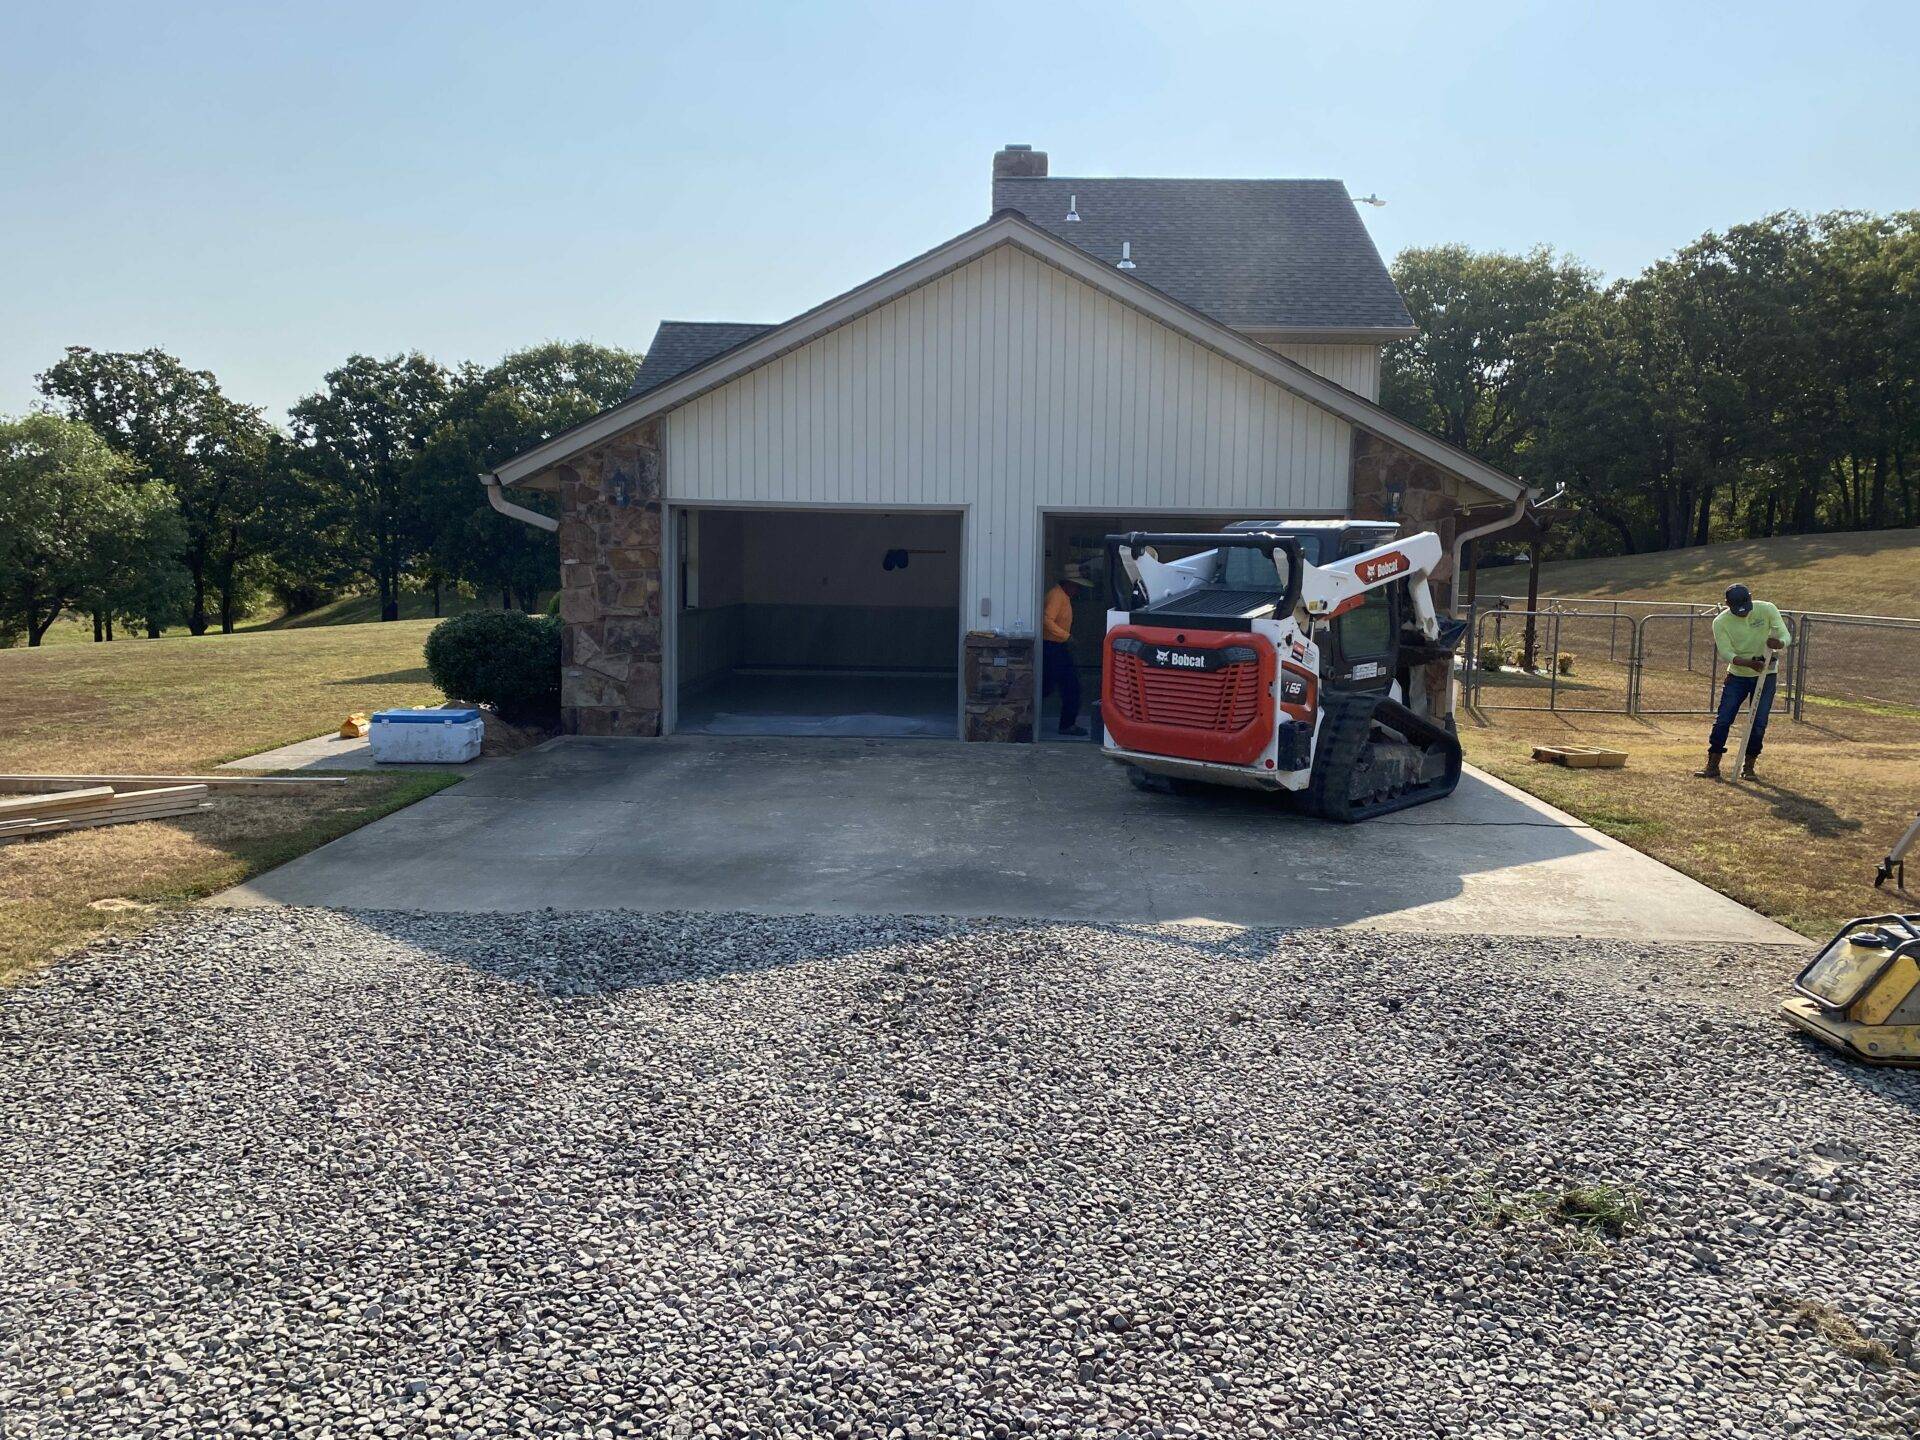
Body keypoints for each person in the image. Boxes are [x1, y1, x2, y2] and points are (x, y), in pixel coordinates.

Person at [1696, 583, 1791, 780]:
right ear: (1727, 604)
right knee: (1723, 719)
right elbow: (1726, 652)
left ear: (1751, 598)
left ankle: (1749, 766)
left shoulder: (1767, 609)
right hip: (1737, 676)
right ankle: (1713, 764)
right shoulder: (1720, 622)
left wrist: (1779, 643)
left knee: (1759, 722)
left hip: (1766, 676)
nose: (1743, 614)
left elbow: (1784, 635)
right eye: (1737, 610)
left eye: (1745, 608)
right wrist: (1748, 663)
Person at [1043, 561, 1094, 737]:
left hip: (1055, 646)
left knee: (1047, 686)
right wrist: (1066, 636)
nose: (1078, 591)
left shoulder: (1062, 596)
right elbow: (1047, 620)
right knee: (1071, 687)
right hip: (1054, 647)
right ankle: (1067, 725)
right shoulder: (1057, 597)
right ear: (1069, 584)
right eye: (1077, 586)